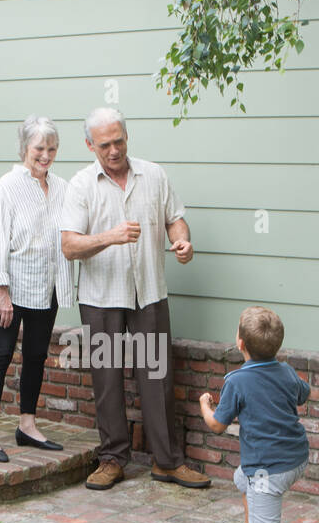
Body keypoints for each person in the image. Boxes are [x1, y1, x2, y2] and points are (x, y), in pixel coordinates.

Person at [59, 106, 211, 491]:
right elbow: (69, 245)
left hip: (150, 294)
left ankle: (167, 461)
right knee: (107, 379)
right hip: (101, 297)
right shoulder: (81, 185)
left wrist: (182, 239)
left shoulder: (154, 175)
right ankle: (112, 459)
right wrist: (110, 236)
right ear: (90, 145)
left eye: (119, 141)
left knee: (157, 377)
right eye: (105, 144)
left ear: (127, 137)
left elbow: (174, 218)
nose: (114, 150)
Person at [199, 307, 311, 523]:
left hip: (268, 469)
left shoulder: (237, 380)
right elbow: (304, 395)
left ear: (240, 342)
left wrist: (205, 406)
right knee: (240, 478)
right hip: (296, 459)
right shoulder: (287, 372)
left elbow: (218, 425)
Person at [0, 115, 73, 463]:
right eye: (39, 149)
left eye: (52, 149)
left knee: (35, 356)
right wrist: (1, 290)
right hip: (9, 288)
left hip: (45, 287)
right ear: (24, 150)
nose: (45, 155)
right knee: (0, 356)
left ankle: (27, 425)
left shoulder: (61, 188)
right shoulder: (6, 187)